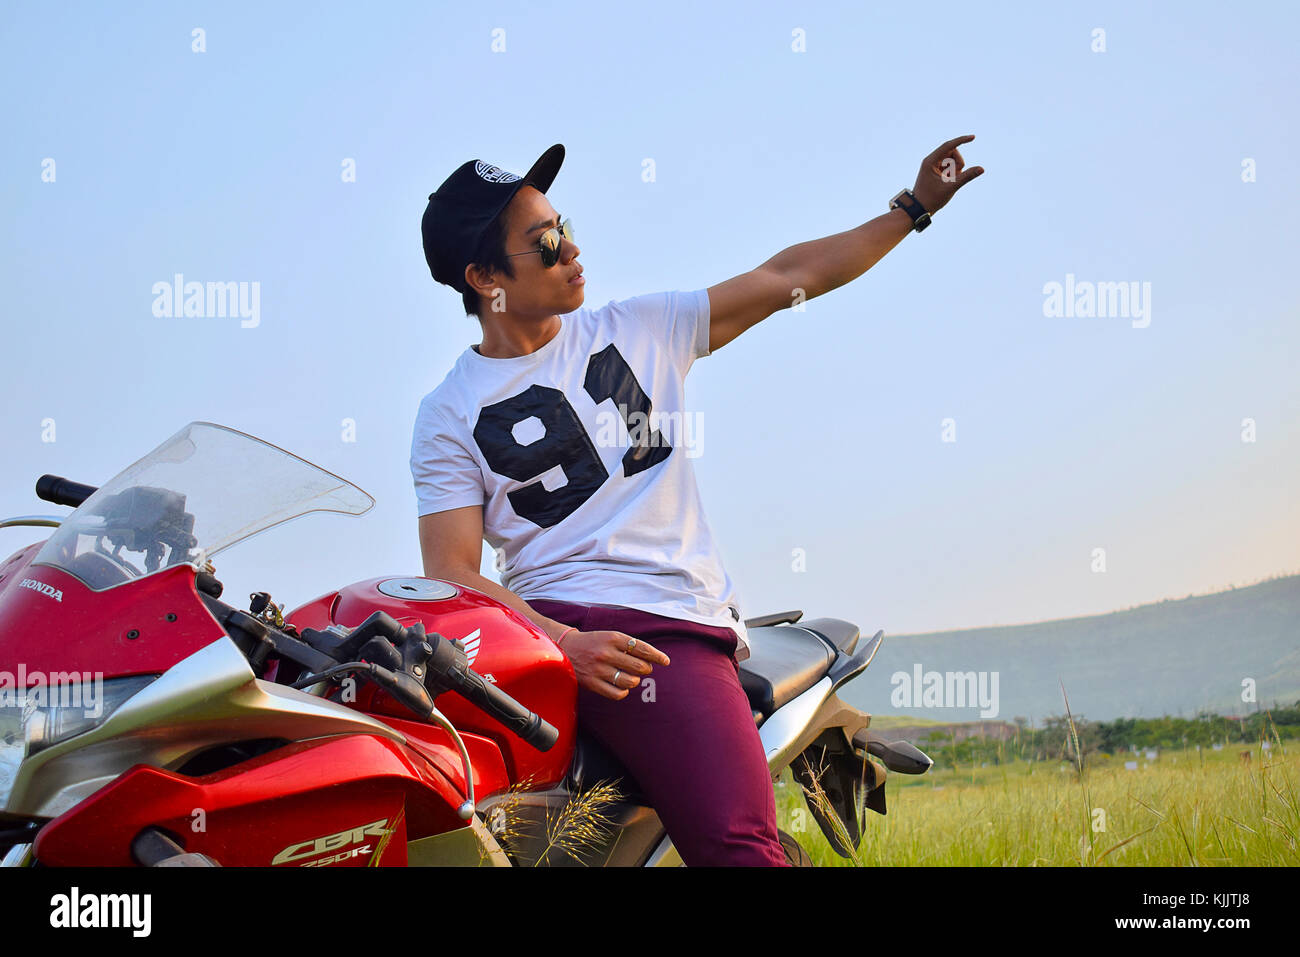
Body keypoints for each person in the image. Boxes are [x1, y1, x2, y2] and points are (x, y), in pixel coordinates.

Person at [411, 139, 983, 866]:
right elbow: (454, 571)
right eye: (547, 241)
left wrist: (912, 209)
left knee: (738, 850)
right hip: (536, 640)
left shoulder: (641, 329)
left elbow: (787, 277)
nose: (572, 249)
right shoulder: (447, 410)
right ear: (484, 277)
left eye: (566, 226)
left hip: (659, 633)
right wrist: (560, 643)